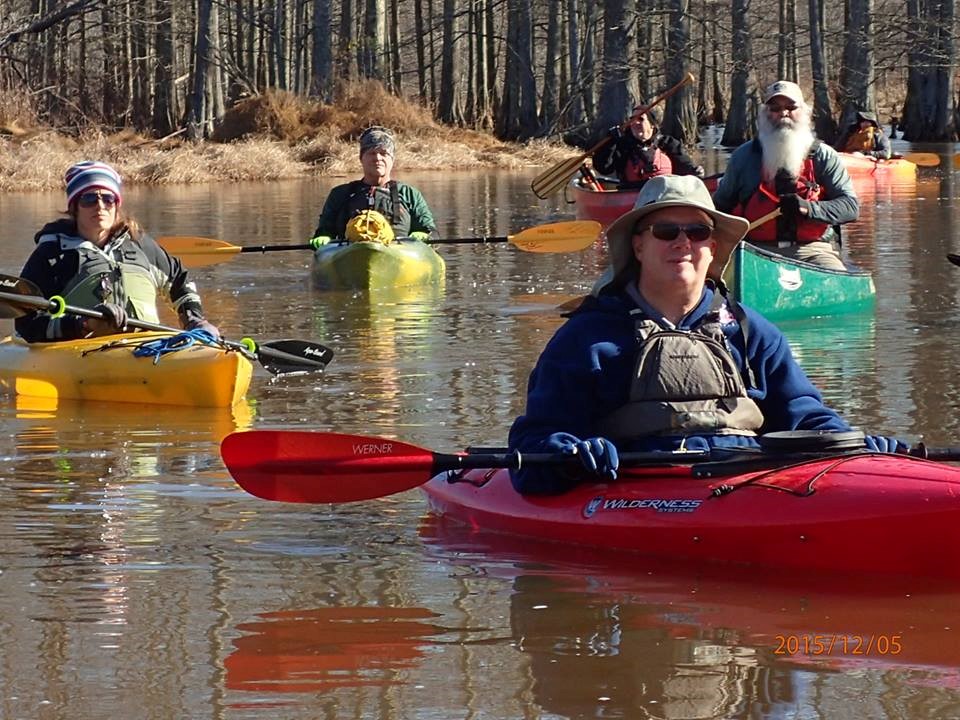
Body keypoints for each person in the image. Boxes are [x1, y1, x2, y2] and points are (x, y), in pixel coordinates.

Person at [508, 175, 905, 495]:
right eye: (666, 230)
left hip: (745, 488)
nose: (683, 242)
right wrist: (568, 451)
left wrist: (854, 446)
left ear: (712, 248)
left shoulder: (752, 332)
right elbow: (534, 445)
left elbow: (803, 415)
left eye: (697, 232)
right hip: (638, 492)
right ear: (638, 245)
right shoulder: (587, 337)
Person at [15, 160, 219, 343]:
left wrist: (194, 319)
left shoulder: (140, 245)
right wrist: (83, 324)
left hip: (149, 349)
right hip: (83, 353)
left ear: (116, 205)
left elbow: (179, 281)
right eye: (89, 199)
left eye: (108, 198)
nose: (100, 206)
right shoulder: (52, 255)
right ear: (75, 207)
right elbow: (27, 323)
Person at [712, 80, 859, 271]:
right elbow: (720, 207)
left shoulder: (824, 156)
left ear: (804, 112)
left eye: (791, 107)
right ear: (765, 114)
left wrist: (809, 208)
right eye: (775, 108)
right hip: (755, 251)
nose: (783, 113)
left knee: (837, 278)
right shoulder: (743, 156)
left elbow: (850, 208)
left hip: (813, 251)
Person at [311, 127, 437, 246]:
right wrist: (324, 236)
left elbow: (429, 229)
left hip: (399, 252)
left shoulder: (409, 194)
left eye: (384, 153)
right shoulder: (339, 194)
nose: (377, 158)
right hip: (350, 253)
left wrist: (424, 233)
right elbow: (325, 229)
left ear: (392, 159)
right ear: (361, 158)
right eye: (371, 153)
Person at [592, 105, 705, 189]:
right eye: (632, 119)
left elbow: (685, 166)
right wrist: (609, 143)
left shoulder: (668, 144)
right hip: (631, 195)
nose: (635, 123)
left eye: (641, 119)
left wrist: (695, 171)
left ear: (652, 125)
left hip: (664, 195)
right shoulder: (622, 145)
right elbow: (603, 168)